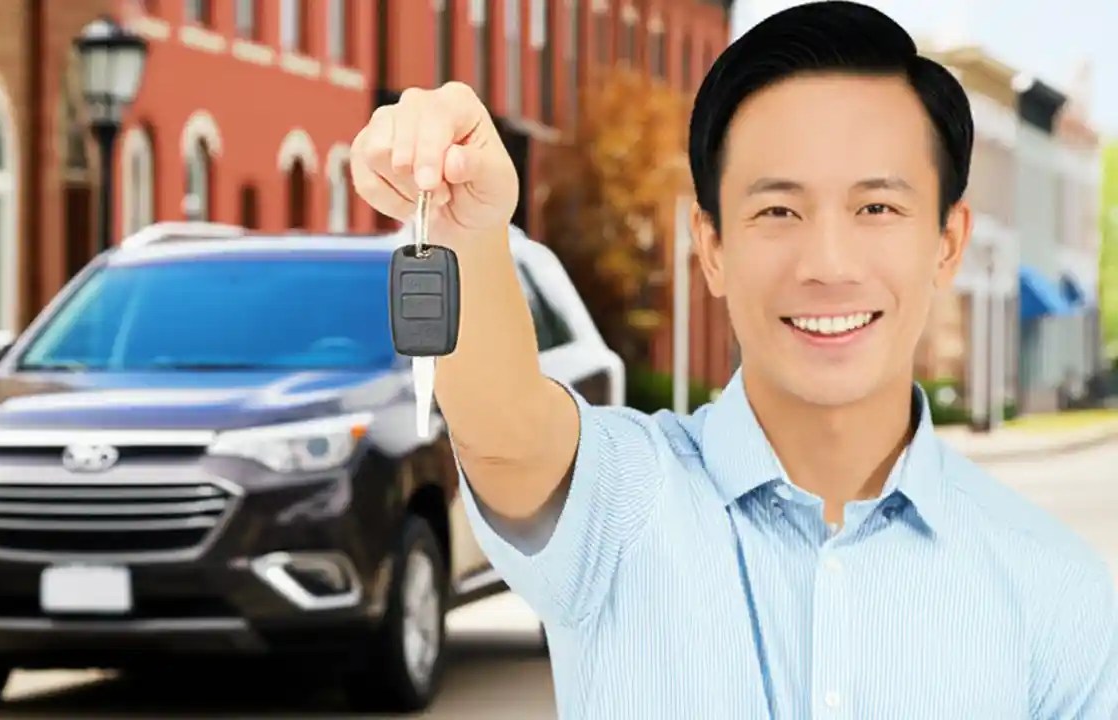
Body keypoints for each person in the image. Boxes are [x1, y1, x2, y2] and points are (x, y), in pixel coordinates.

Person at [349, 1, 1118, 717]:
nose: (827, 261)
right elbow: (506, 432)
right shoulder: (619, 508)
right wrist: (467, 225)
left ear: (947, 243)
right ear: (711, 246)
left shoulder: (1058, 596)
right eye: (778, 210)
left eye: (876, 208)